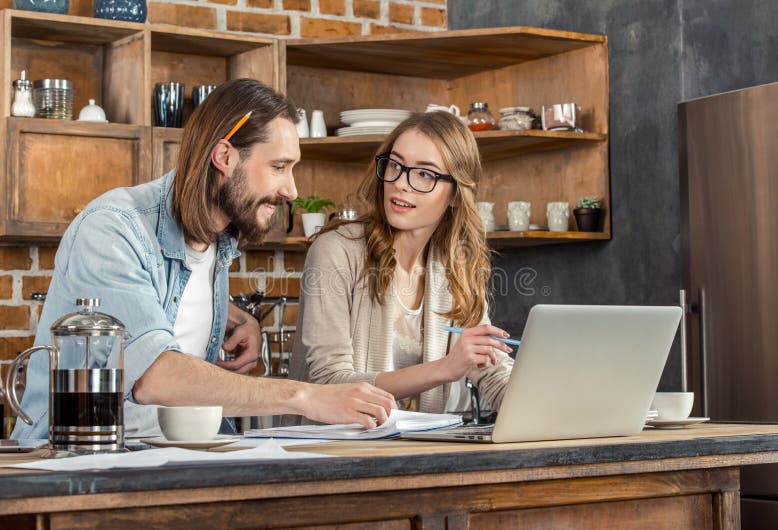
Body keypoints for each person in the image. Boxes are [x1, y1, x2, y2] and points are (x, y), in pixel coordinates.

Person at [12, 79, 394, 440]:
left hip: (172, 455)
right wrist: (305, 396)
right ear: (224, 157)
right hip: (76, 460)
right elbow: (153, 377)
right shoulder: (113, 227)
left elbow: (164, 296)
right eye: (279, 167)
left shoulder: (218, 238)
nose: (291, 190)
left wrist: (232, 315)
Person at [289, 111, 513, 418]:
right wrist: (445, 368)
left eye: (424, 174)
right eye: (395, 165)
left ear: (455, 195)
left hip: (416, 443)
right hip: (333, 443)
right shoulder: (336, 251)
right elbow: (329, 381)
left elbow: (494, 373)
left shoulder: (455, 268)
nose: (401, 184)